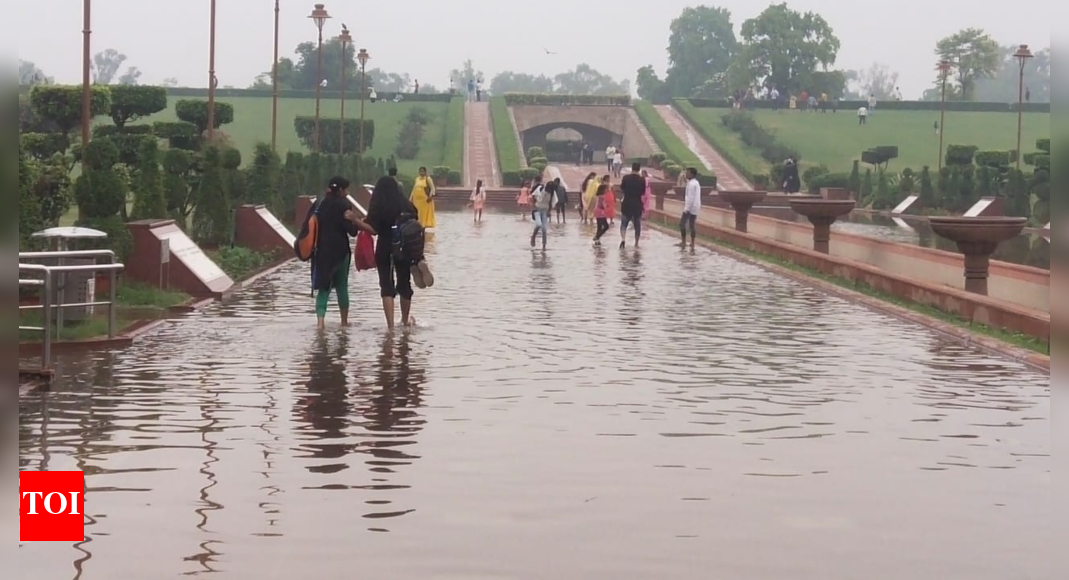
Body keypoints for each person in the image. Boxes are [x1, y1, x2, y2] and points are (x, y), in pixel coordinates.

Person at [306, 176, 374, 330]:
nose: (347, 192)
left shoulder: (320, 204)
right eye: (346, 190)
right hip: (340, 252)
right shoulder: (344, 205)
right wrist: (356, 221)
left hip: (321, 252)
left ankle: (320, 324)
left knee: (324, 287)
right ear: (341, 190)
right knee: (342, 286)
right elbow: (352, 231)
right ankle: (344, 322)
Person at [365, 176, 423, 331]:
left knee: (386, 285)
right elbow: (415, 217)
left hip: (384, 247)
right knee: (404, 283)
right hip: (404, 249)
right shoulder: (405, 204)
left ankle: (390, 327)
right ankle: (404, 321)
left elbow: (373, 229)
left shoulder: (379, 206)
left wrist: (357, 222)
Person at [619, 163, 646, 249]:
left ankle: (623, 239)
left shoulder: (626, 178)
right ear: (639, 169)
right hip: (637, 204)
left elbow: (622, 188)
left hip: (626, 203)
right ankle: (636, 243)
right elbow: (643, 192)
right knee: (637, 225)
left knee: (624, 223)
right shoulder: (642, 180)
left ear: (632, 168)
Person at [680, 168, 701, 248]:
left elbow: (690, 198)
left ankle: (683, 241)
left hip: (690, 207)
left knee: (682, 224)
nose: (686, 174)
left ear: (692, 174)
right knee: (692, 225)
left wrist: (686, 209)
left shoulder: (691, 184)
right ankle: (692, 242)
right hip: (695, 207)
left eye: (687, 173)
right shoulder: (695, 182)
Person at [530, 177, 551, 249]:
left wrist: (549, 211)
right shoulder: (540, 189)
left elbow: (551, 202)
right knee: (538, 224)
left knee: (544, 228)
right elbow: (533, 197)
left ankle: (544, 245)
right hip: (537, 209)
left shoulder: (552, 193)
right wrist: (533, 207)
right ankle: (533, 236)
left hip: (545, 210)